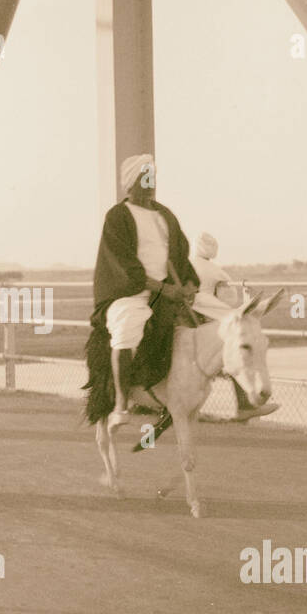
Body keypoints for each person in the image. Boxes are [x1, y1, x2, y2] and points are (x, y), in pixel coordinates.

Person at [90, 153, 199, 431]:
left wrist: (189, 284)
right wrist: (163, 288)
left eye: (153, 177)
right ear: (131, 183)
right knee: (127, 327)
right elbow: (124, 266)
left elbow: (182, 256)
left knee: (228, 323)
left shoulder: (165, 215)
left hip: (171, 290)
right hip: (132, 292)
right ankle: (121, 405)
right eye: (145, 177)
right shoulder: (118, 216)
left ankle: (244, 401)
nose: (151, 182)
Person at [190, 232, 279, 421]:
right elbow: (229, 299)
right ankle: (245, 406)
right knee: (235, 352)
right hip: (207, 318)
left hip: (190, 316)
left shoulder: (188, 265)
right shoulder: (216, 271)